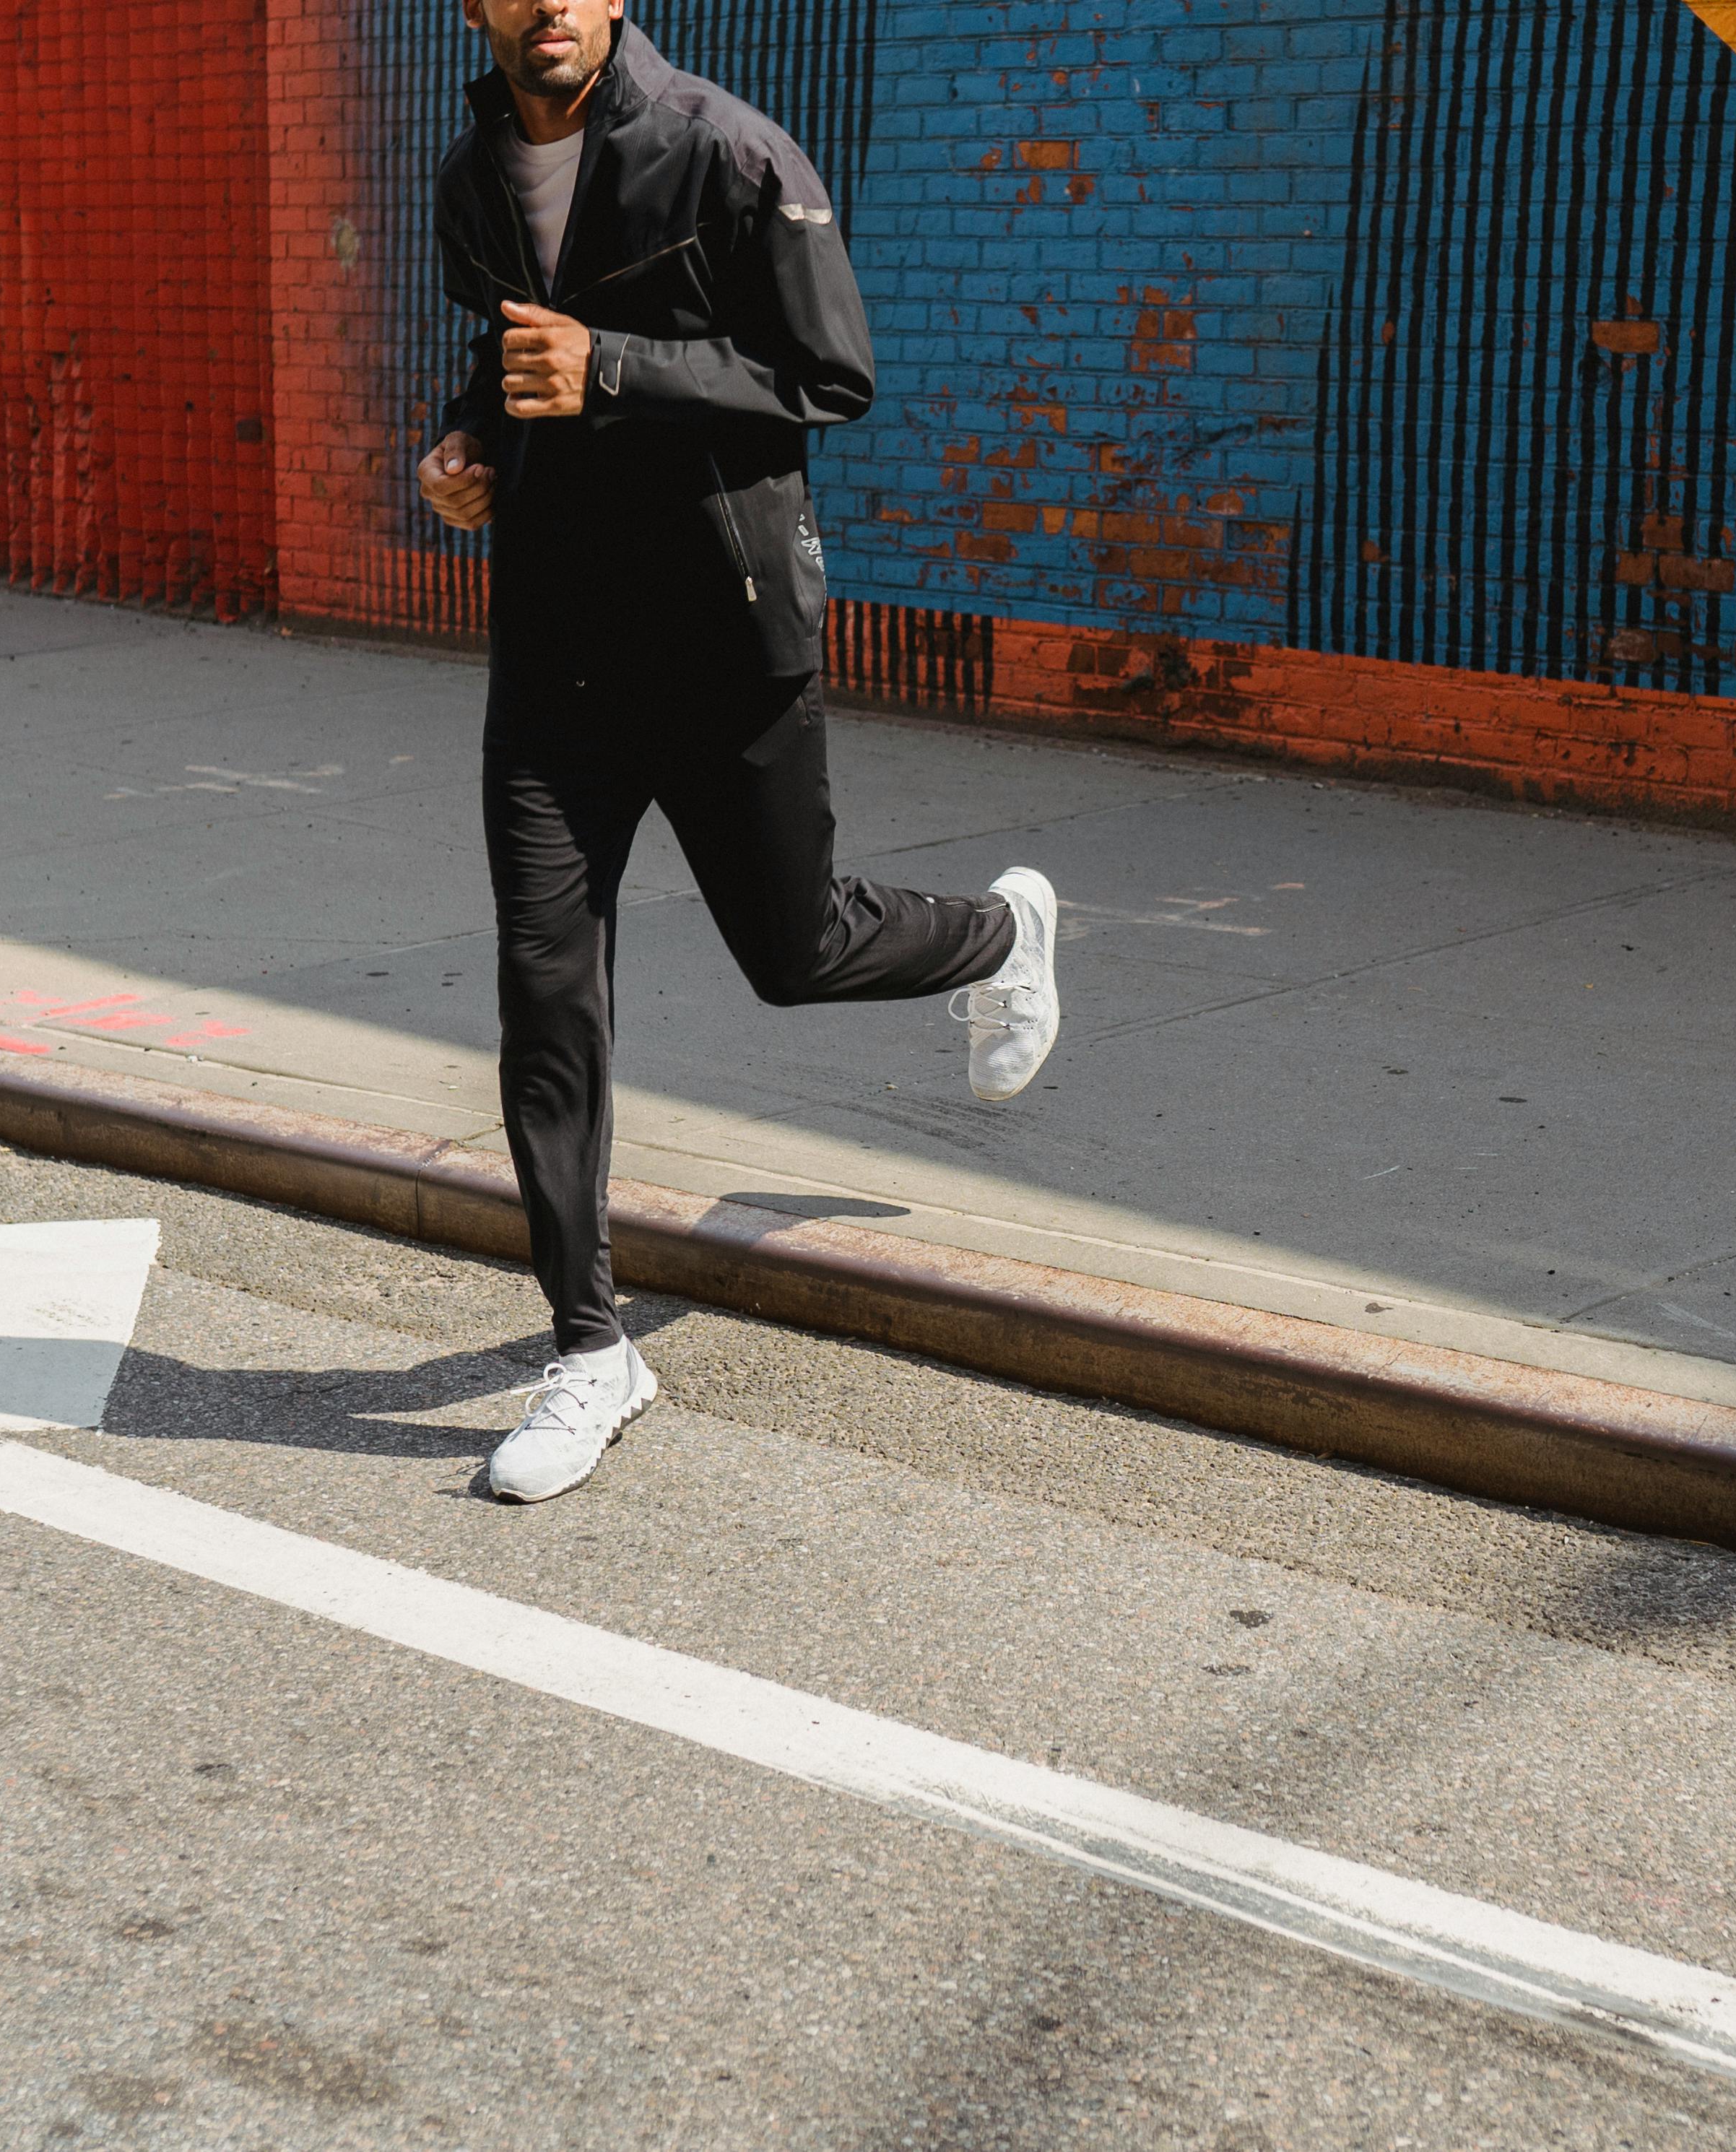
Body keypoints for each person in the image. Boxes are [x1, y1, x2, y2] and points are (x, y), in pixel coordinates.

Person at [418, 0, 1061, 1504]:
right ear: (478, 4)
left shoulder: (730, 155)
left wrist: (616, 371)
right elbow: (504, 362)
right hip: (557, 663)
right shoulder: (471, 175)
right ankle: (590, 1347)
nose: (552, 3)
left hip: (724, 640)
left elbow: (829, 377)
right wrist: (463, 450)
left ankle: (1002, 933)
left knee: (797, 949)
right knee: (544, 988)